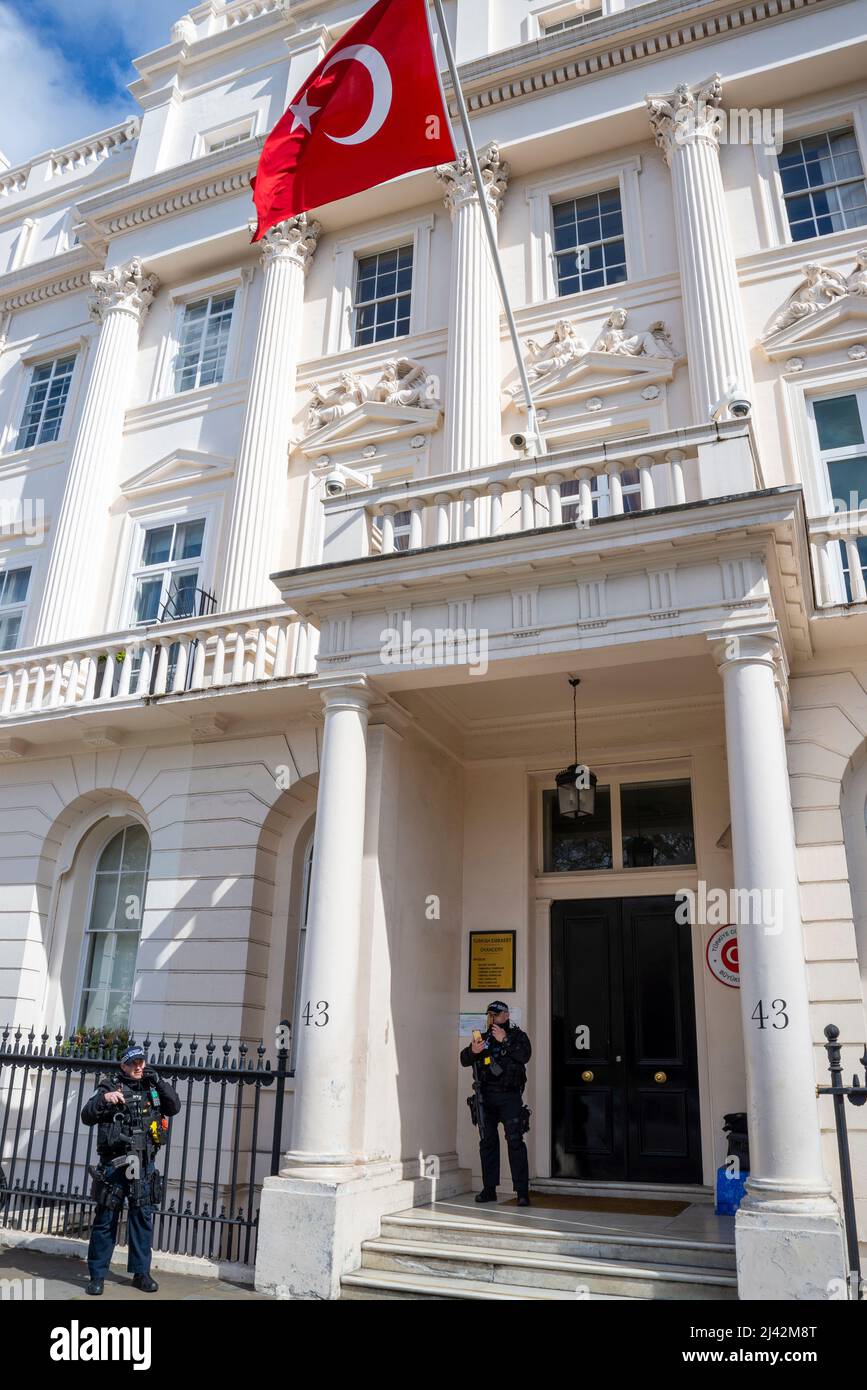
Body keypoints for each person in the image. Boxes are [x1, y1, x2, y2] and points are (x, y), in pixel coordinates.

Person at [80, 1044, 181, 1295]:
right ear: (123, 1065)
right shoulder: (109, 1085)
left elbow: (174, 1106)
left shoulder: (152, 1085)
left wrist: (160, 1081)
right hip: (114, 1165)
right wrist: (104, 1099)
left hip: (143, 1163)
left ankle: (141, 1273)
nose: (139, 1067)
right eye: (133, 1063)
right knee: (106, 1219)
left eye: (141, 1062)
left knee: (142, 1217)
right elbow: (87, 1115)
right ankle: (97, 1276)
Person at [460, 1002, 532, 1207]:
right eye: (490, 1015)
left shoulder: (518, 1036)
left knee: (515, 1142)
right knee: (488, 1143)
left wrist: (505, 1040)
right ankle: (489, 1189)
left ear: (506, 1015)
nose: (492, 1018)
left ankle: (522, 1192)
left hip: (510, 1098)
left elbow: (524, 1055)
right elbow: (464, 1060)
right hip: (486, 1099)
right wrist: (473, 1051)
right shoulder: (482, 1038)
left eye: (496, 1014)